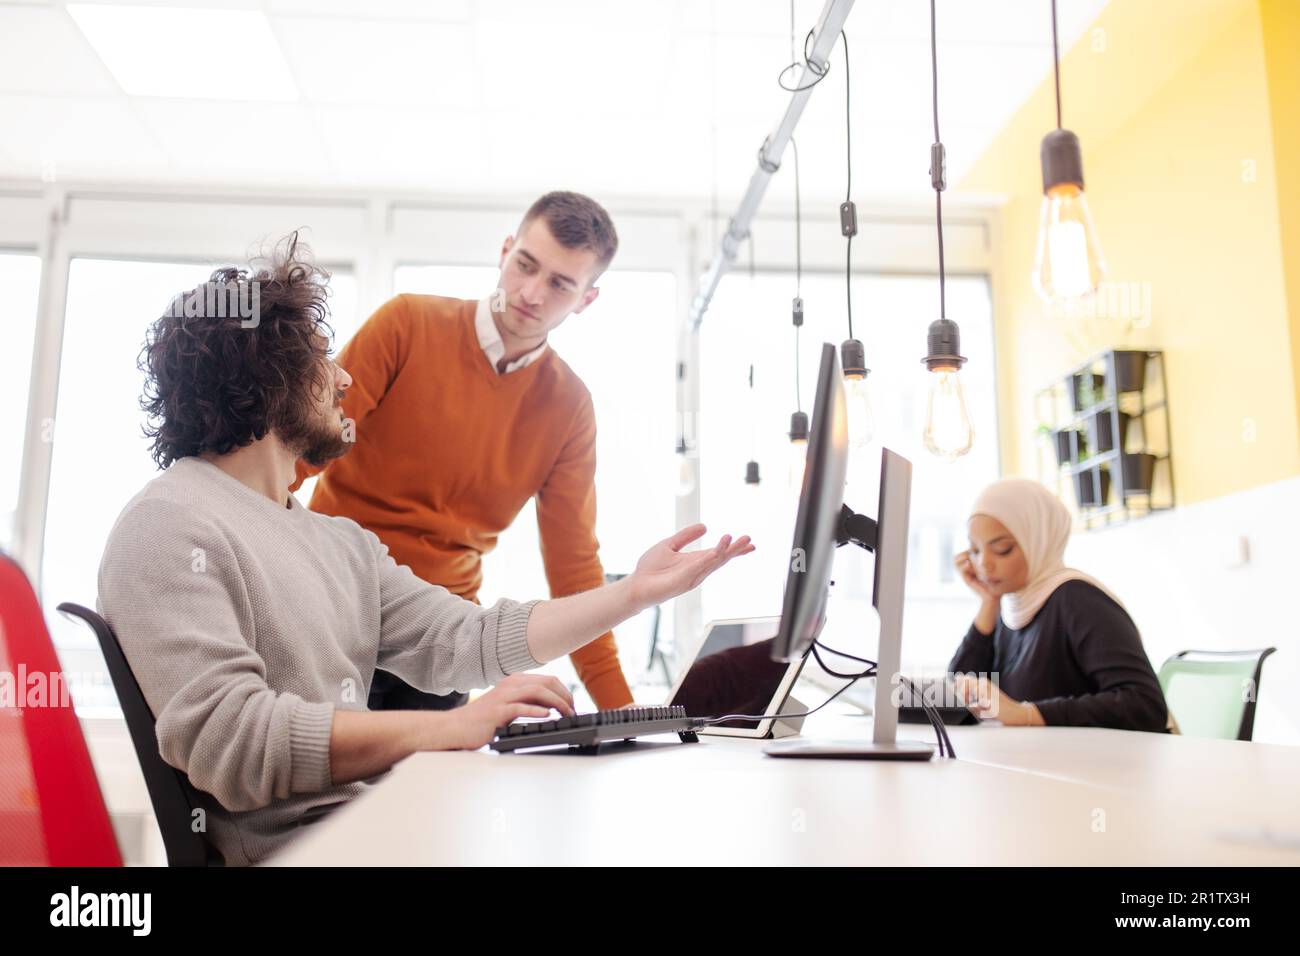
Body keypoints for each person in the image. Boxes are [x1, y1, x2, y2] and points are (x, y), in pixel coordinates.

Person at [97, 234, 753, 865]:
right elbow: (234, 741)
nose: (345, 377)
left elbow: (468, 640)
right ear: (272, 385)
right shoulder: (169, 524)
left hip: (382, 822)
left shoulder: (338, 542)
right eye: (322, 361)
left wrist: (634, 593)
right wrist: (449, 729)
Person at [293, 191, 637, 712]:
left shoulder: (569, 406)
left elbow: (574, 570)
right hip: (331, 608)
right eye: (525, 265)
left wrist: (624, 714)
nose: (532, 292)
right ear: (505, 251)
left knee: (434, 793)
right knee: (321, 789)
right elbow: (296, 452)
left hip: (443, 642)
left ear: (586, 299)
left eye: (560, 284)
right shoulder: (406, 324)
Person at [947, 478, 1169, 732]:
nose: (984, 564)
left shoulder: (1077, 599)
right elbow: (958, 695)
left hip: (1108, 765)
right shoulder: (1011, 607)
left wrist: (1027, 714)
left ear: (1038, 541)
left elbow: (1143, 704)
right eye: (974, 550)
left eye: (1002, 549)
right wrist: (988, 602)